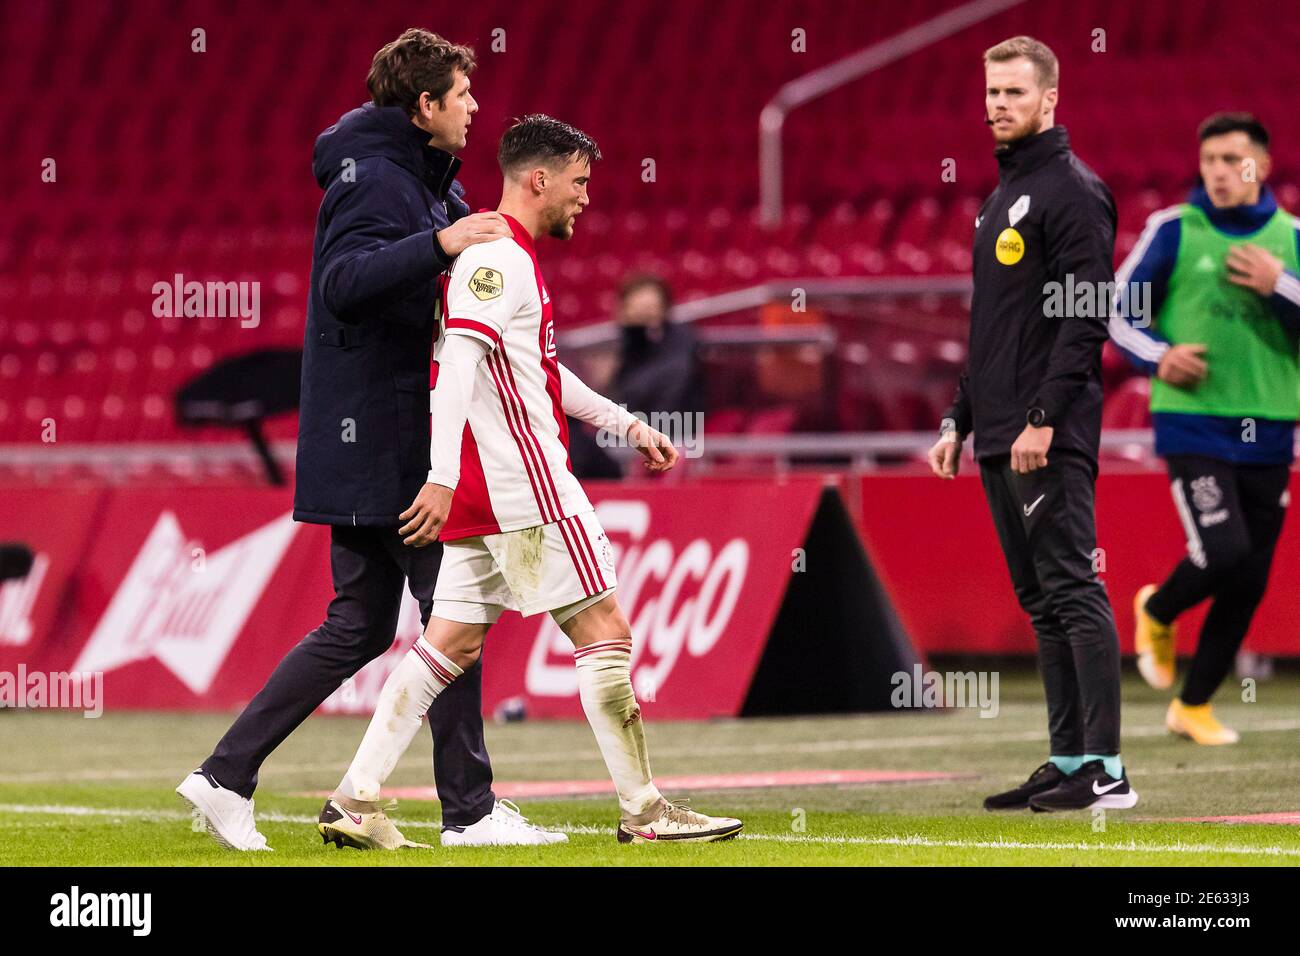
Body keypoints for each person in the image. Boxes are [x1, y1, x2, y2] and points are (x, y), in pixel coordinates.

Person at [178, 28, 564, 851]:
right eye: (462, 95)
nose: (474, 107)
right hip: (385, 443)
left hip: (366, 438)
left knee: (358, 624)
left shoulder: (412, 177)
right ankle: (469, 810)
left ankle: (224, 775)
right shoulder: (378, 178)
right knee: (454, 610)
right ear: (424, 105)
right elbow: (343, 284)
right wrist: (440, 243)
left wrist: (463, 236)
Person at [317, 115, 743, 847]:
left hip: (488, 498)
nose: (585, 198)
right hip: (527, 489)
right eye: (579, 182)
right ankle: (644, 812)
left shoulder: (503, 259)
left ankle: (356, 799)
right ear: (538, 179)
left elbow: (535, 372)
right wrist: (441, 476)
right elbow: (456, 368)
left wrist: (626, 423)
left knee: (445, 646)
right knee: (605, 631)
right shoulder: (501, 262)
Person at [928, 36, 1137, 812]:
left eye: (1013, 93)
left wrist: (1044, 417)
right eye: (990, 94)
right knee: (1043, 599)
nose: (998, 106)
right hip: (1000, 430)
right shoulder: (998, 198)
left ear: (1049, 99)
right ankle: (1069, 756)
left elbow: (1087, 319)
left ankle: (1108, 770)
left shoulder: (1074, 192)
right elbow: (996, 326)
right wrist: (959, 416)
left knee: (1073, 588)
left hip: (1045, 430)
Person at [1110, 112, 1300, 745]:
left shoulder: (1292, 240)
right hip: (1194, 423)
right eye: (1210, 159)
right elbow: (1115, 311)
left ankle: (1191, 707)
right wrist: (1157, 356)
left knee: (1249, 578)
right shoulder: (1173, 231)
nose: (1218, 172)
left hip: (1270, 423)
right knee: (1224, 552)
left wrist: (1282, 288)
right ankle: (1157, 609)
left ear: (1262, 167)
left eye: (1233, 160)